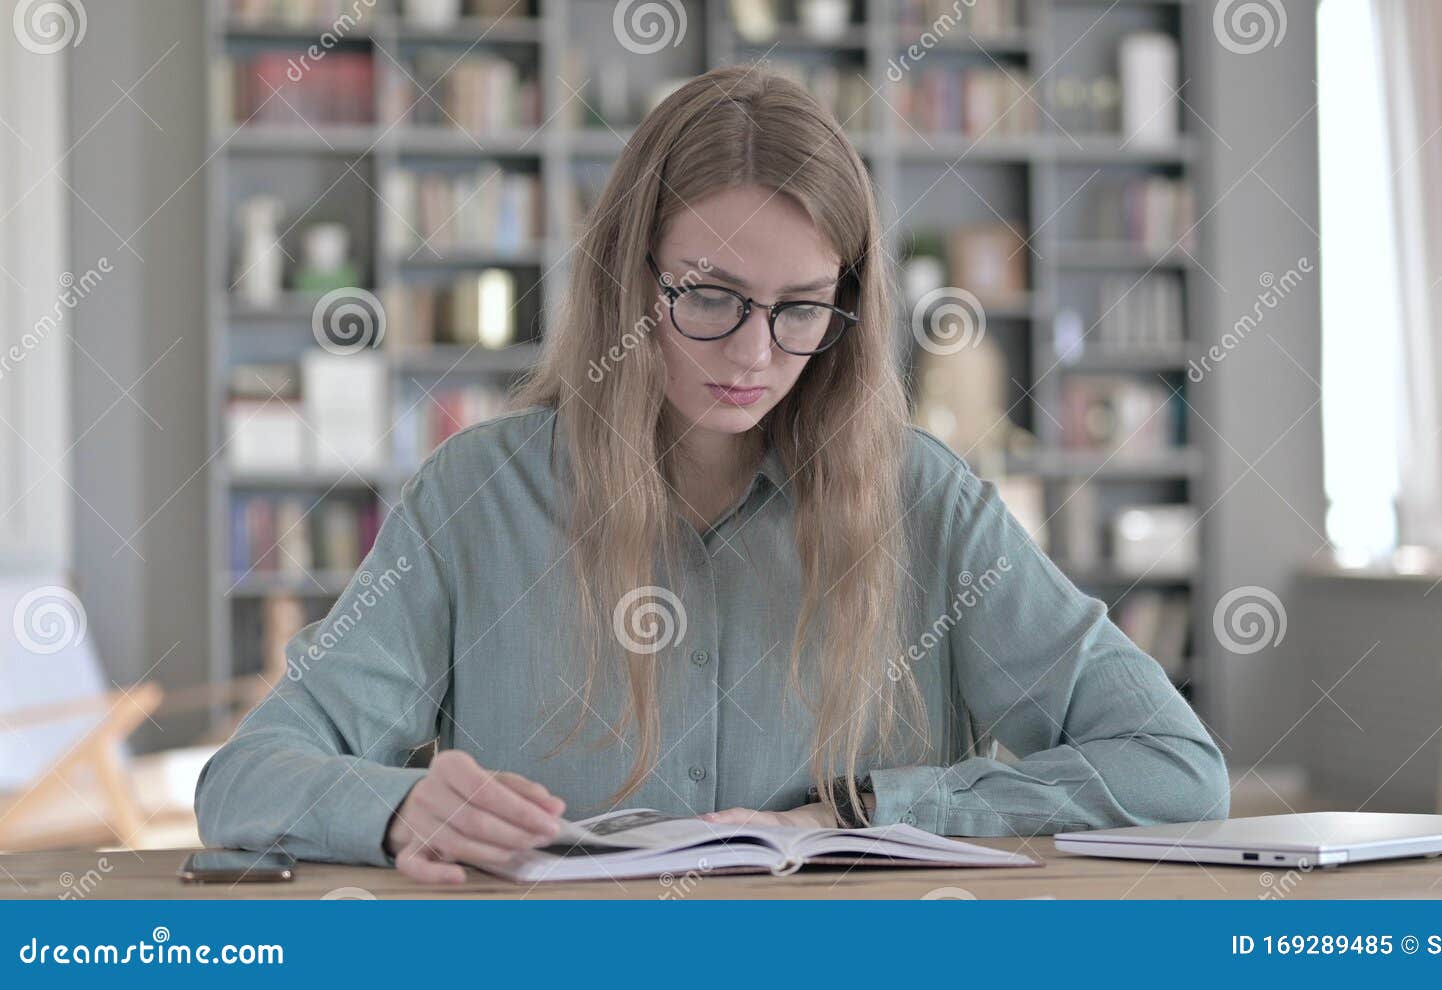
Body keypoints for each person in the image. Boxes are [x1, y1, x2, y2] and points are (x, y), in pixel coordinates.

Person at [195, 65, 1228, 884]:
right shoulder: (479, 494)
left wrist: (873, 810)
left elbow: (1173, 768)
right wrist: (395, 808)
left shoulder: (927, 499)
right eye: (709, 297)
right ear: (626, 277)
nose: (751, 356)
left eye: (801, 308)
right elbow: (244, 781)